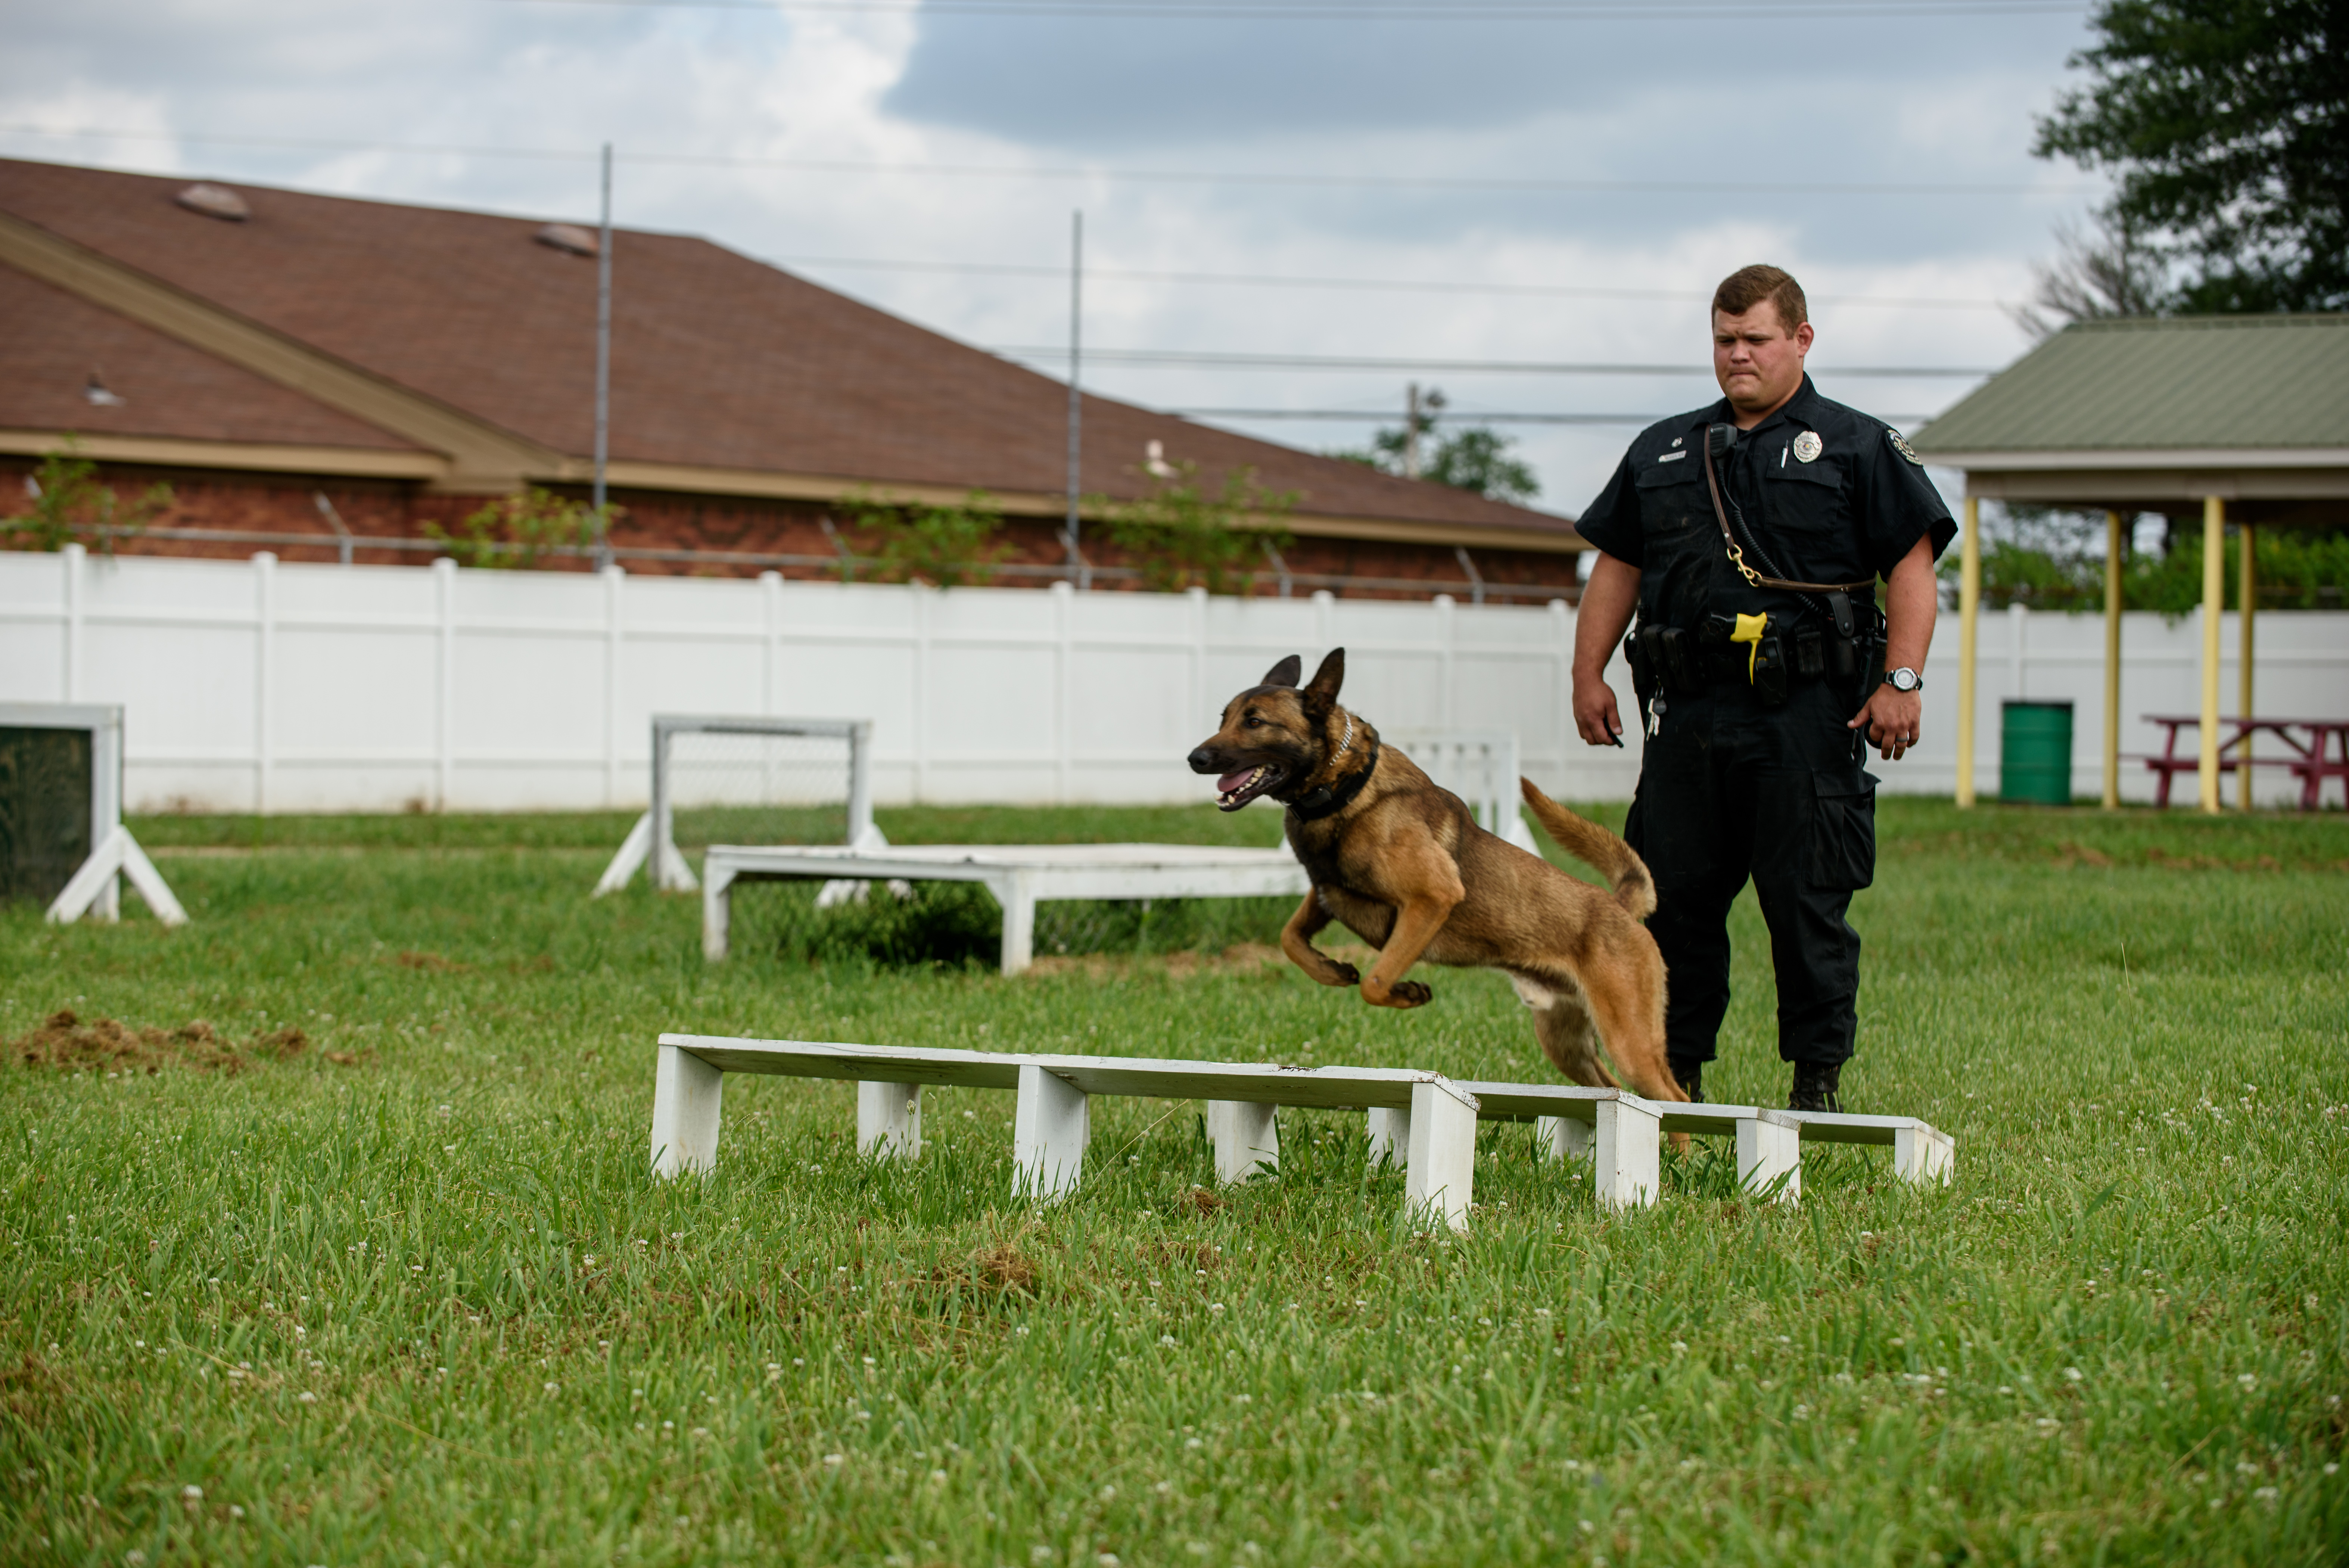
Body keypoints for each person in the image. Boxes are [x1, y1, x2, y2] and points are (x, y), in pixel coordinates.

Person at [1566, 264, 1955, 1112]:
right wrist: (1586, 672)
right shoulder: (1664, 448)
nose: (1736, 356)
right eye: (1723, 340)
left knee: (1806, 909)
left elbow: (1909, 567)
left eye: (1755, 339)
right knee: (1668, 913)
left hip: (1804, 719)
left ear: (1800, 340)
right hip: (1687, 719)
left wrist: (1901, 679)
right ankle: (1674, 1088)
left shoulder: (1856, 445)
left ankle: (1813, 1091)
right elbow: (1618, 566)